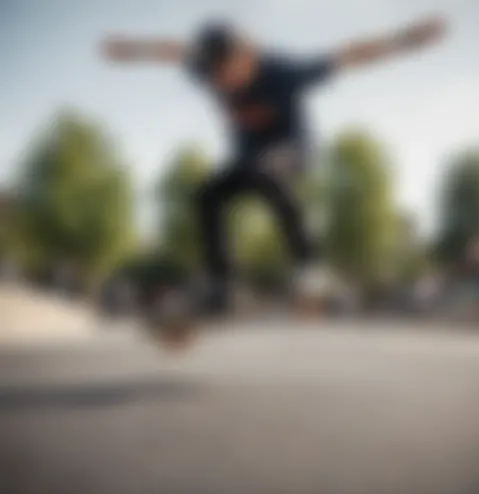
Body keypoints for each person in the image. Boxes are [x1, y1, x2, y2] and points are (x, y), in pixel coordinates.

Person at [101, 16, 447, 314]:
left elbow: (348, 56)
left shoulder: (283, 71)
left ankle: (310, 268)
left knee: (267, 171)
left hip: (293, 151)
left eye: (227, 75)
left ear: (245, 55)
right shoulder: (206, 68)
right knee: (208, 194)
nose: (223, 85)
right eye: (216, 79)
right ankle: (221, 286)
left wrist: (408, 39)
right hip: (247, 160)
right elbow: (175, 51)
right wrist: (132, 50)